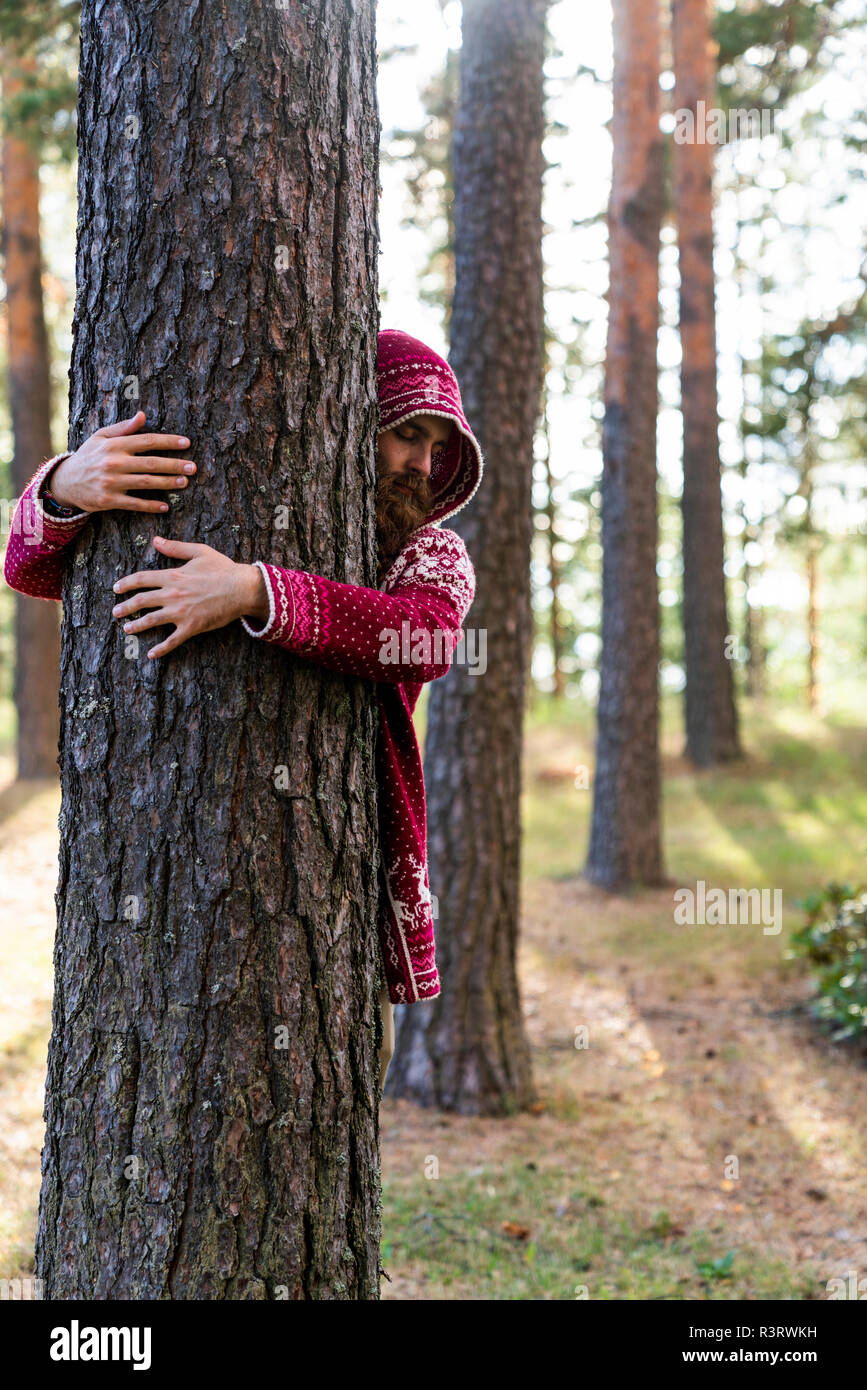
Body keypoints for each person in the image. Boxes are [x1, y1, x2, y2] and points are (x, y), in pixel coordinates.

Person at [3, 328, 483, 1093]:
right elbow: (27, 567)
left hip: (338, 894)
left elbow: (415, 640)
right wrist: (64, 486)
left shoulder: (429, 555)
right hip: (154, 871)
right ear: (357, 418)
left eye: (435, 448)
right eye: (406, 434)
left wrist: (253, 590)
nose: (421, 465)